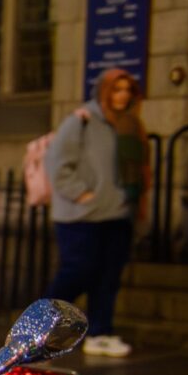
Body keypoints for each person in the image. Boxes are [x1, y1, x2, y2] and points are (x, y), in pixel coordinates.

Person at [45, 67, 148, 358]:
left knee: (108, 277)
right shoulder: (82, 121)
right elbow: (57, 163)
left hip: (117, 214)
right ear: (104, 91)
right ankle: (40, 328)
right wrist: (83, 194)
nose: (123, 95)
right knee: (77, 271)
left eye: (127, 90)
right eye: (117, 89)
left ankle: (101, 333)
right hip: (82, 217)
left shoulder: (129, 124)